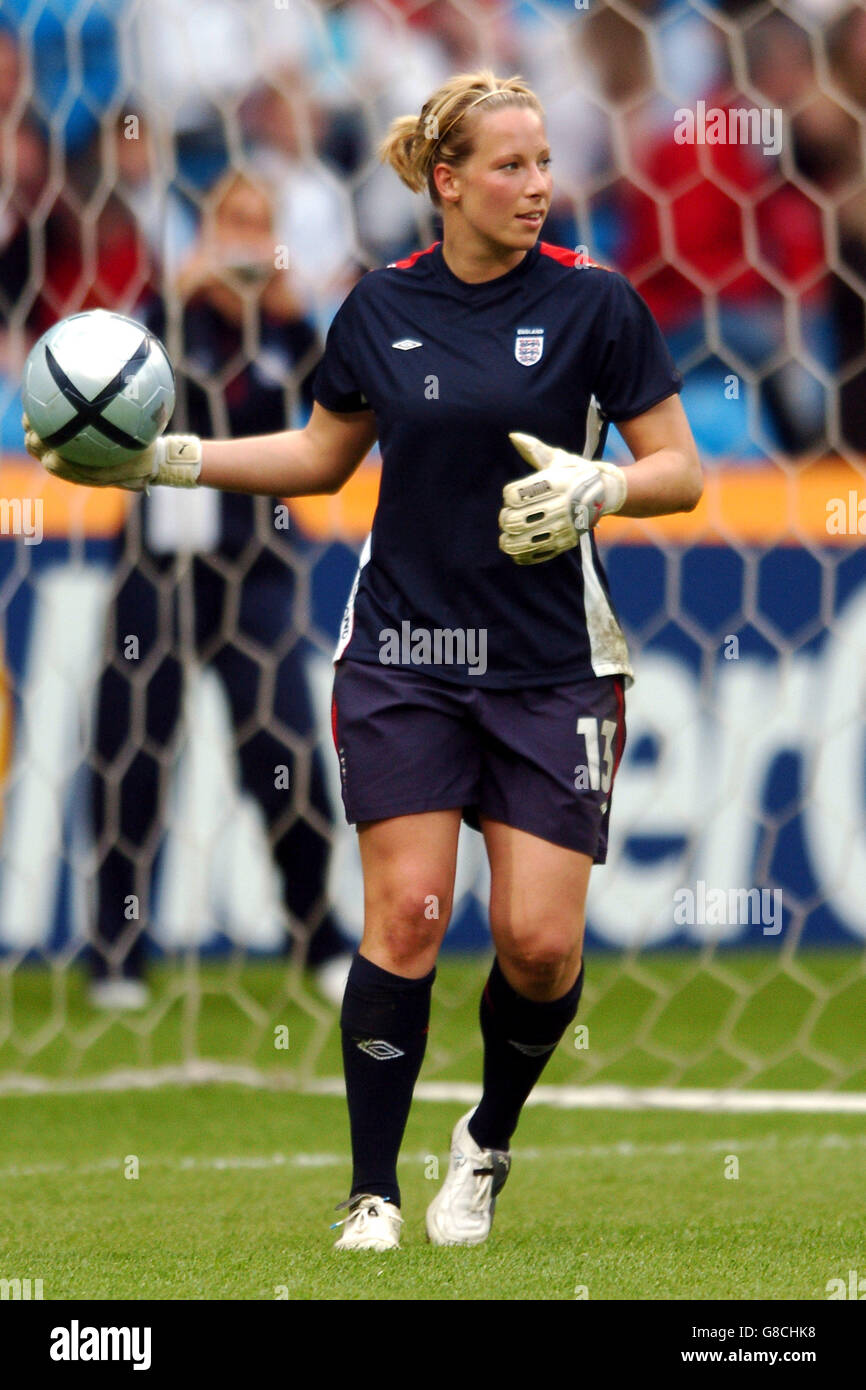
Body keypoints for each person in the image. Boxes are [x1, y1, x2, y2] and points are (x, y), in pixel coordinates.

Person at [25, 70, 703, 1250]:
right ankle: (372, 1192)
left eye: (543, 162)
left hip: (552, 663)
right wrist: (158, 463)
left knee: (539, 949)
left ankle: (483, 1139)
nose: (537, 184)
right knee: (405, 916)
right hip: (402, 654)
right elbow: (316, 458)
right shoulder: (378, 308)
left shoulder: (597, 304)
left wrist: (606, 486)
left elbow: (682, 468)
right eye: (509, 165)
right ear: (446, 182)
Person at [87, 169, 354, 1009]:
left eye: (257, 225)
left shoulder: (291, 337)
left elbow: (336, 426)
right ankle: (118, 952)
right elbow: (114, 402)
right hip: (156, 572)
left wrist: (295, 316)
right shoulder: (166, 322)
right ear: (208, 230)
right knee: (132, 756)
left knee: (283, 752)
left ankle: (315, 934)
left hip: (256, 570)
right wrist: (181, 293)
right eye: (230, 223)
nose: (244, 242)